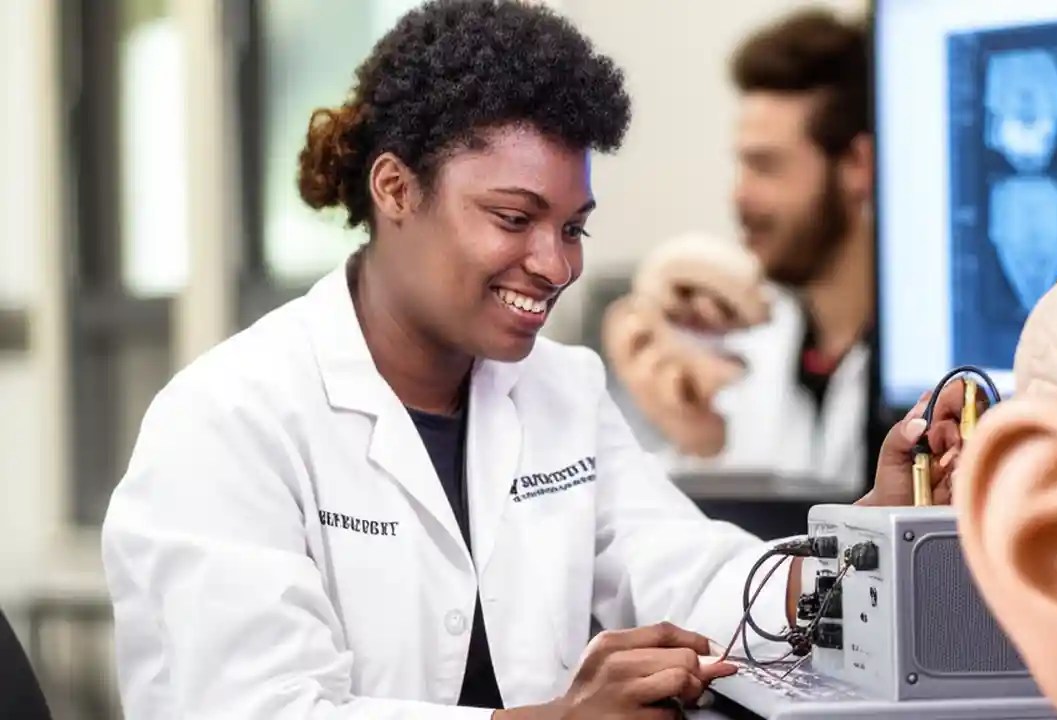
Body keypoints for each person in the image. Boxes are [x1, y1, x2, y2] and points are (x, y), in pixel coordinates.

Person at [101, 2, 966, 718]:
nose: (556, 265)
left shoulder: (559, 388)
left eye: (573, 227)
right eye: (514, 219)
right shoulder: (227, 418)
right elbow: (264, 707)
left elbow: (690, 572)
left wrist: (870, 536)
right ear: (395, 189)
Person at [603, 9, 879, 491]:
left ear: (858, 164)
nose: (739, 196)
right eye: (742, 166)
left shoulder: (924, 369)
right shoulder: (746, 357)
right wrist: (700, 441)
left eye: (766, 166)